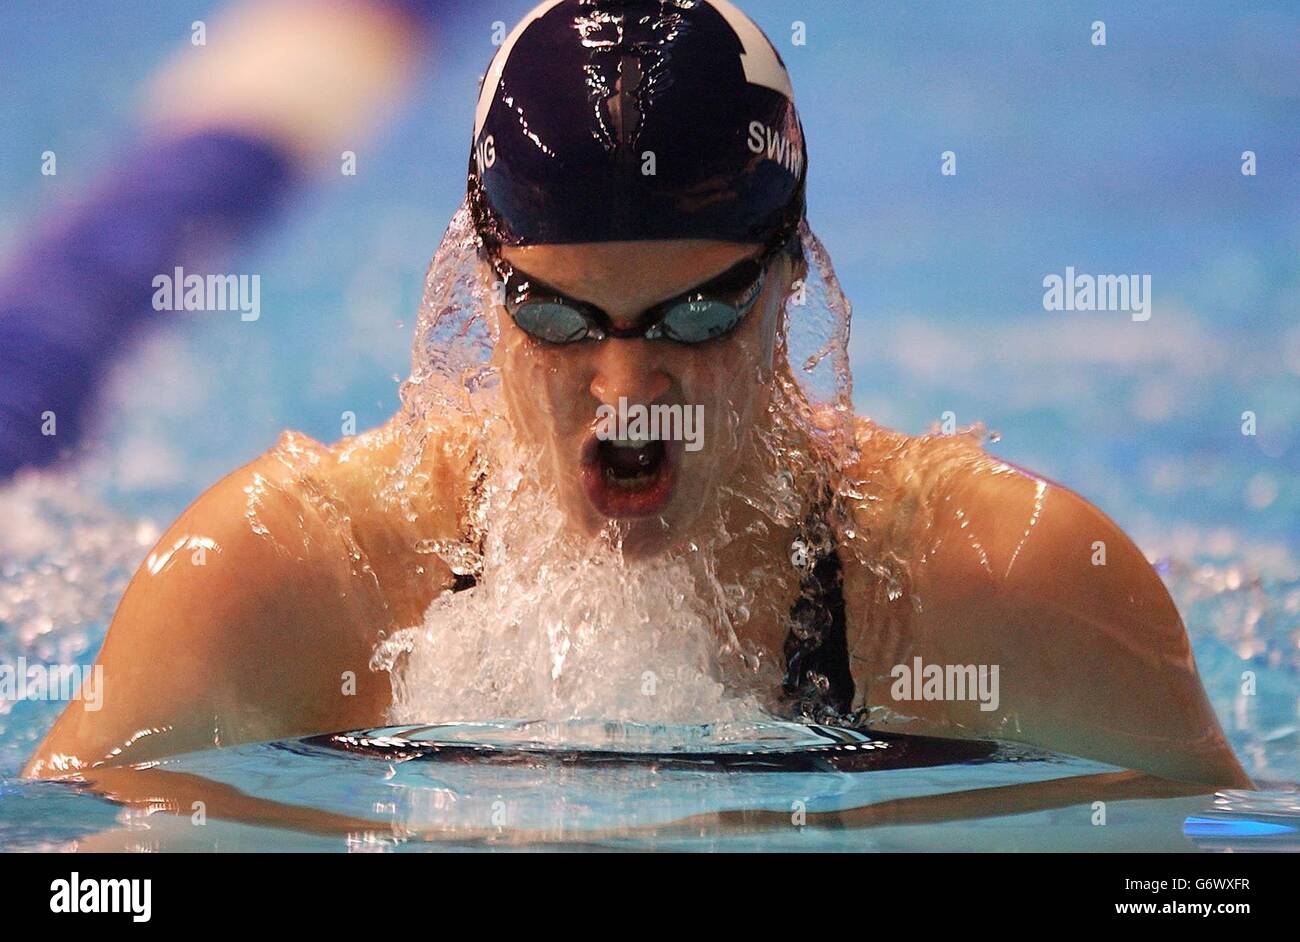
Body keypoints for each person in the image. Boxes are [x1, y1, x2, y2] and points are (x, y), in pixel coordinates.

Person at [26, 0, 1249, 789]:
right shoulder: (281, 583)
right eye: (556, 319)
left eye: (698, 316)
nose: (625, 393)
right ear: (480, 279)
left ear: (790, 281)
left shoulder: (1007, 595)